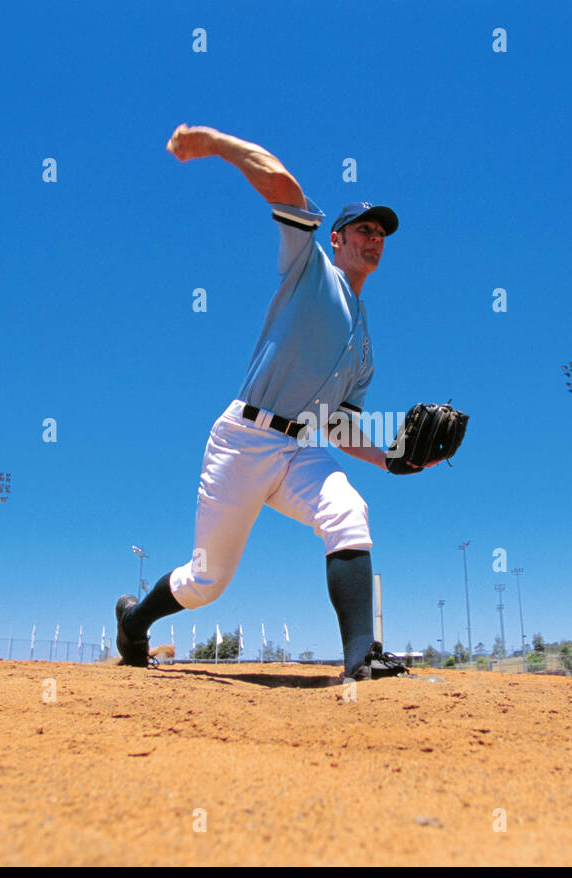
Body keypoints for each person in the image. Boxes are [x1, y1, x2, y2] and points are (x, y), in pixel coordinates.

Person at [115, 124, 438, 681]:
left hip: (296, 452)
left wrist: (391, 459)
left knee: (349, 512)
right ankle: (134, 623)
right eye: (364, 228)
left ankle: (360, 658)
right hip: (242, 439)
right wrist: (217, 145)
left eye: (382, 233)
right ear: (335, 239)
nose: (374, 238)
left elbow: (336, 427)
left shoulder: (364, 348)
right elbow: (284, 187)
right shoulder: (309, 271)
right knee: (206, 582)